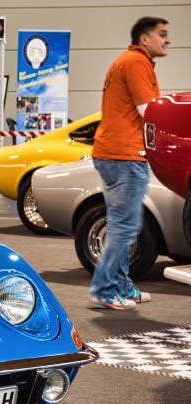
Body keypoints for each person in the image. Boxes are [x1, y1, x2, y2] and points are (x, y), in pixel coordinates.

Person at [88, 16, 170, 310]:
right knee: (124, 226)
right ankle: (104, 289)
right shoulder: (135, 62)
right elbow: (147, 110)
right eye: (162, 34)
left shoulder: (127, 61)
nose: (167, 40)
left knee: (122, 224)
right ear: (144, 39)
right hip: (124, 154)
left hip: (113, 152)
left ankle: (121, 286)